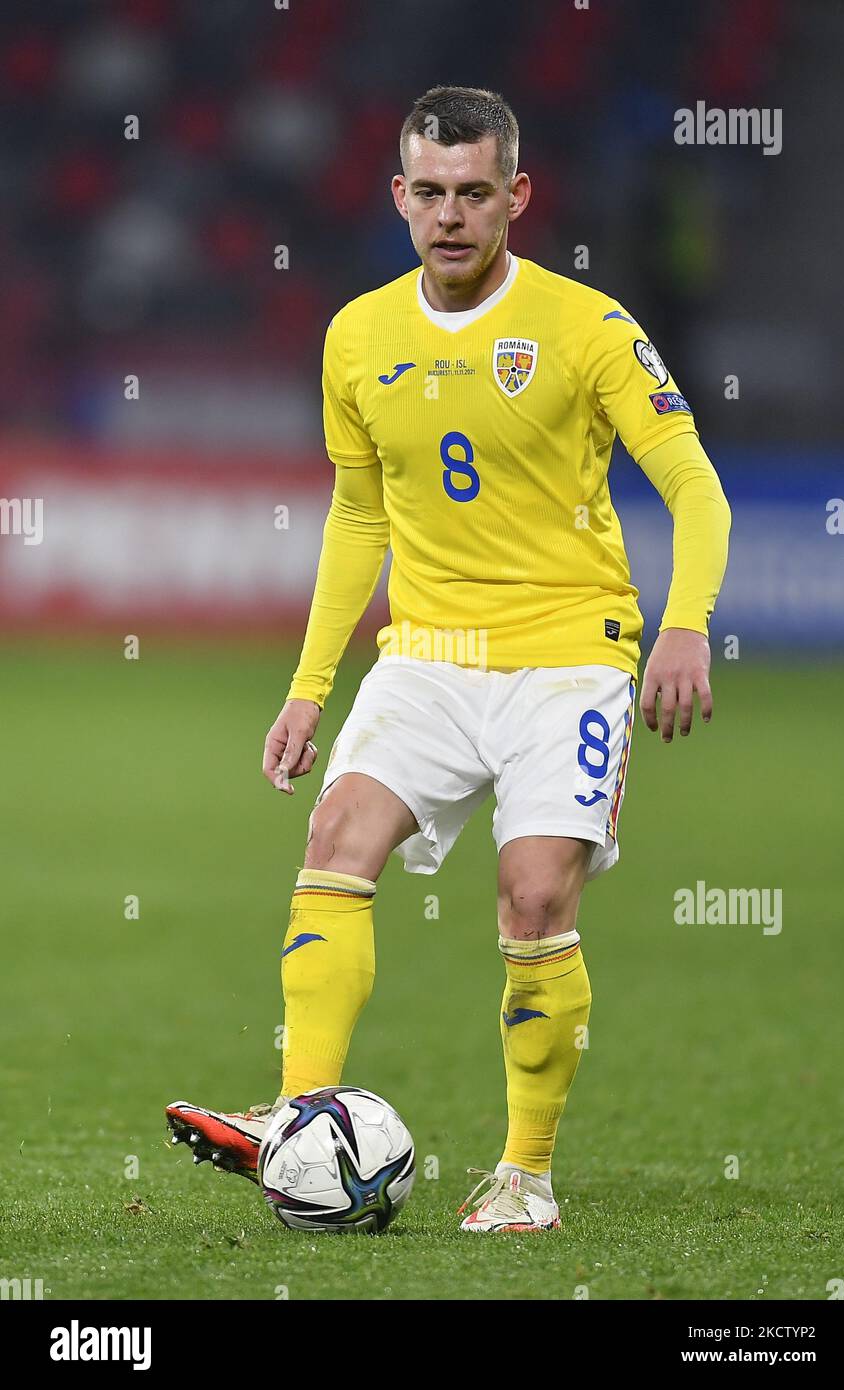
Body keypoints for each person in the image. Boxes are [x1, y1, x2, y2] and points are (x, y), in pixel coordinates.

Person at [166, 85, 731, 1234]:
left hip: (568, 656)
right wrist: (308, 685)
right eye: (429, 193)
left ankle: (525, 1175)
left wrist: (682, 624)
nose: (451, 215)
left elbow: (692, 483)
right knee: (334, 838)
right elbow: (358, 517)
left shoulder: (587, 326)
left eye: (475, 193)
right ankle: (295, 1113)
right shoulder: (358, 335)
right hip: (423, 655)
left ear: (514, 196)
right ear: (399, 197)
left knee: (532, 901)